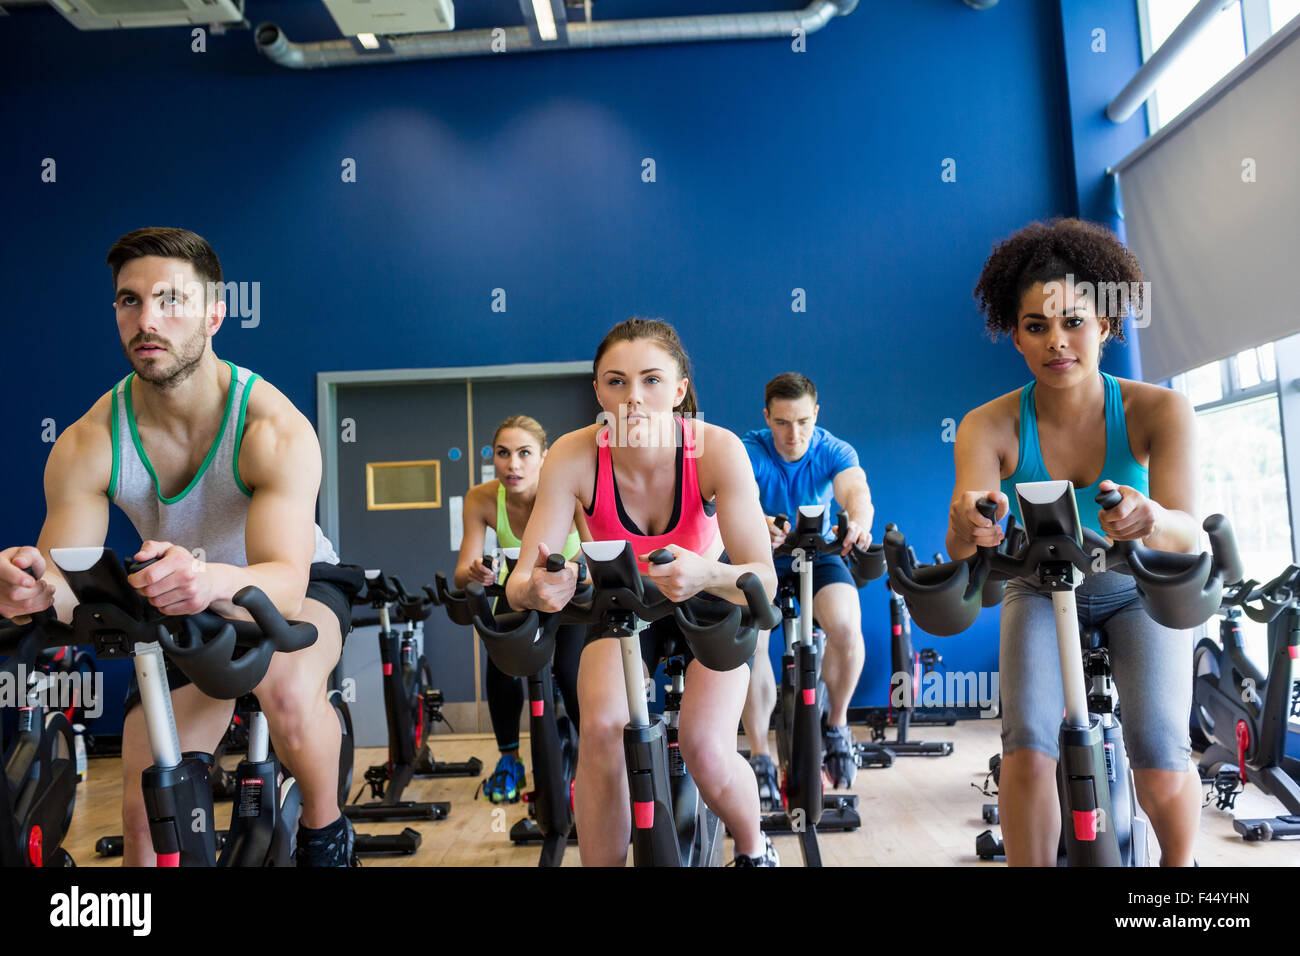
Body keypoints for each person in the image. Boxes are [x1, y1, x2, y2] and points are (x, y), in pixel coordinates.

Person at [0, 227, 360, 866]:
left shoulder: (272, 428)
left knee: (284, 692)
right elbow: (63, 584)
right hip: (181, 595)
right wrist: (29, 587)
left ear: (215, 314)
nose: (147, 320)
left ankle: (328, 836)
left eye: (170, 300)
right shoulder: (89, 441)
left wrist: (213, 579)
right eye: (129, 301)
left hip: (290, 582)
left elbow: (280, 580)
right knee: (145, 812)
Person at [948, 217, 1200, 866]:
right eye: (1037, 326)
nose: (1057, 341)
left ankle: (1180, 875)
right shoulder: (989, 423)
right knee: (1027, 745)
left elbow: (1190, 530)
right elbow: (962, 542)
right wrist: (973, 522)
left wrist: (1150, 518)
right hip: (1039, 588)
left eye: (1074, 322)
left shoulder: (1159, 411)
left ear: (1108, 325)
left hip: (1139, 587)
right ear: (1016, 337)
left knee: (1160, 752)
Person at [504, 317, 780, 866]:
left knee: (705, 748)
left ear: (679, 391)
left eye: (652, 380)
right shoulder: (572, 454)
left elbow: (761, 580)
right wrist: (541, 587)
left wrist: (705, 574)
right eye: (616, 382)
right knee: (603, 732)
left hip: (709, 593)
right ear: (597, 391)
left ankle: (754, 849)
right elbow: (518, 586)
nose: (634, 398)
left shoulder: (717, 449)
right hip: (622, 606)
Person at [739, 373, 875, 794]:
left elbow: (856, 491)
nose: (793, 433)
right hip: (763, 556)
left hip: (817, 555)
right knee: (754, 644)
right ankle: (759, 753)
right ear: (767, 417)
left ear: (816, 414)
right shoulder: (751, 449)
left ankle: (835, 726)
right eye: (781, 422)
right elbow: (735, 496)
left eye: (802, 421)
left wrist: (858, 521)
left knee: (847, 624)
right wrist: (759, 523)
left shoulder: (833, 449)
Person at [453, 414, 584, 803]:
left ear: (544, 457)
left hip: (572, 596)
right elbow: (462, 572)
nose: (513, 465)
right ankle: (509, 758)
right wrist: (476, 571)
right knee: (501, 661)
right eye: (503, 454)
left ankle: (593, 762)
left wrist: (582, 572)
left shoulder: (567, 491)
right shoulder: (482, 498)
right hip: (519, 592)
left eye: (525, 453)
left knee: (570, 671)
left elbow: (597, 551)